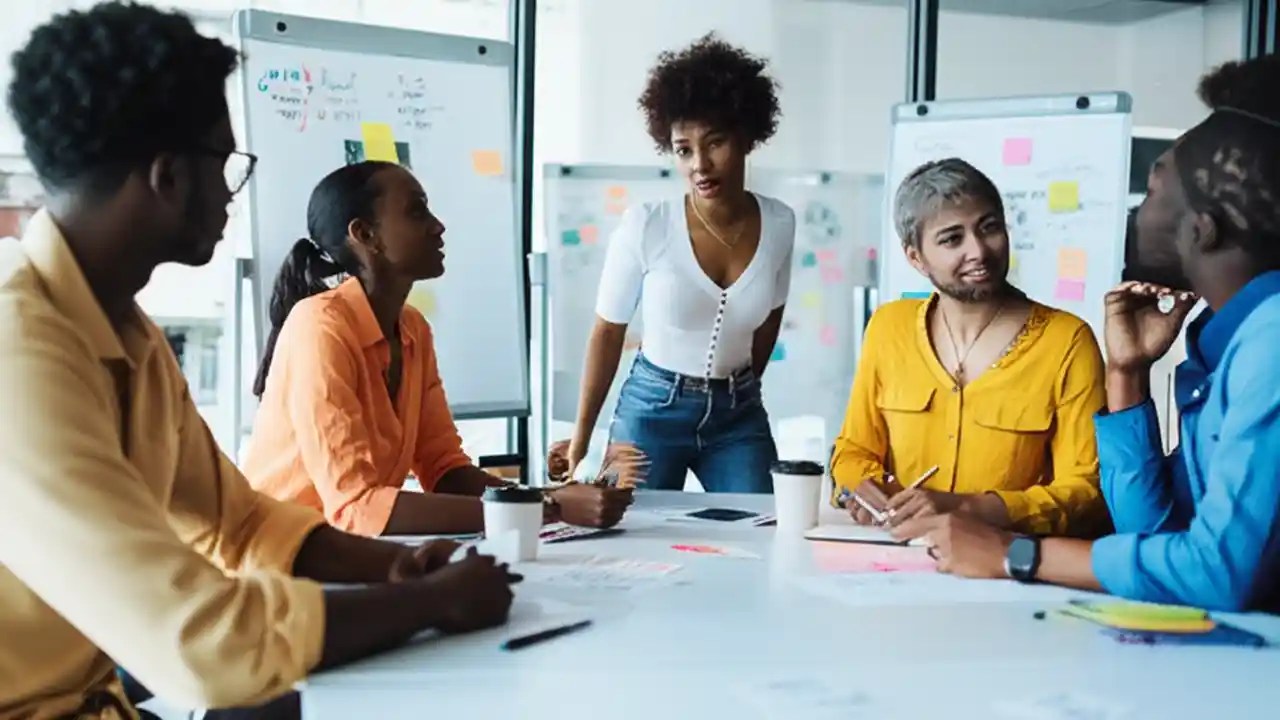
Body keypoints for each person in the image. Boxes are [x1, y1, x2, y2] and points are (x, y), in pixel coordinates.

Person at [0, 4, 518, 719]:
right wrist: (428, 600)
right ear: (168, 177)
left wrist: (398, 567)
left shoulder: (126, 334)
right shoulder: (19, 355)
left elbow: (239, 522)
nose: (230, 192)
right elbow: (199, 644)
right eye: (226, 163)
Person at [894, 56, 1280, 612]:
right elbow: (1150, 530)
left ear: (1201, 230)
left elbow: (1217, 572)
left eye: (1151, 192)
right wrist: (1127, 373)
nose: (1133, 215)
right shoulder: (1225, 341)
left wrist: (1016, 553)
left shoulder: (1271, 343)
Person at [245, 161, 635, 536]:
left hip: (344, 551)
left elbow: (444, 469)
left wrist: (549, 498)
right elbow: (357, 507)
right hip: (278, 559)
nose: (438, 225)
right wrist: (548, 507)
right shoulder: (320, 326)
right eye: (417, 212)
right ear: (365, 234)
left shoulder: (412, 328)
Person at [551, 33, 795, 493]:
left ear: (746, 137)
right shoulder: (647, 224)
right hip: (652, 410)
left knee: (763, 527)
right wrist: (581, 441)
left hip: (737, 418)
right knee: (633, 531)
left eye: (715, 143)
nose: (700, 163)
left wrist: (741, 390)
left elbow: (770, 320)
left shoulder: (781, 222)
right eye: (684, 149)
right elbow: (607, 333)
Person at [832, 158, 1108, 537]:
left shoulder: (1067, 341)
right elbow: (853, 450)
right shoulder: (888, 327)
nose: (978, 251)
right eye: (952, 239)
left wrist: (969, 507)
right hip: (896, 555)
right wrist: (865, 488)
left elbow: (1086, 491)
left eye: (989, 228)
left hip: (1010, 560)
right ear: (915, 257)